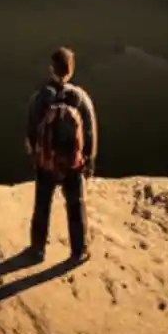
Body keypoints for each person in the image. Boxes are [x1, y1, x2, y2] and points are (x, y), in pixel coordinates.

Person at [24, 46, 98, 262]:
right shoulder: (80, 98)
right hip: (73, 163)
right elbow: (90, 131)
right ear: (71, 70)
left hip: (47, 163)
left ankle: (38, 249)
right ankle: (79, 251)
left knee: (42, 205)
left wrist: (36, 157)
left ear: (51, 69)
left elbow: (31, 131)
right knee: (76, 205)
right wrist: (88, 161)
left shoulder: (40, 98)